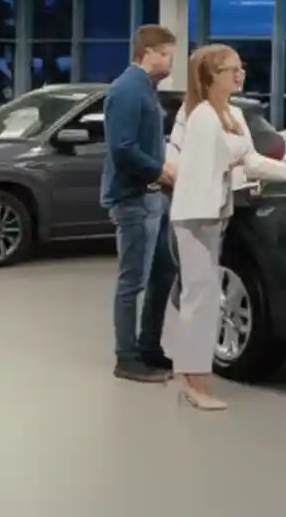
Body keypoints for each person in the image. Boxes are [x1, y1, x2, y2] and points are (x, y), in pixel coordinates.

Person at [164, 44, 286, 410]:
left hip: (216, 214)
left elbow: (251, 160)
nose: (240, 74)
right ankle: (192, 381)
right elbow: (226, 159)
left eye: (241, 68)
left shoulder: (234, 114)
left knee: (204, 298)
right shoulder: (202, 116)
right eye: (231, 70)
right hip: (195, 215)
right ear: (211, 77)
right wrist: (242, 164)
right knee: (199, 299)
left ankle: (192, 377)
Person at [102, 25, 179, 382]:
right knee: (132, 281)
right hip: (134, 199)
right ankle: (127, 357)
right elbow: (123, 148)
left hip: (153, 197)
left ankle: (150, 346)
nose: (170, 62)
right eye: (165, 54)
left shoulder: (147, 90)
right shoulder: (128, 90)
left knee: (164, 271)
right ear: (146, 53)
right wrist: (160, 170)